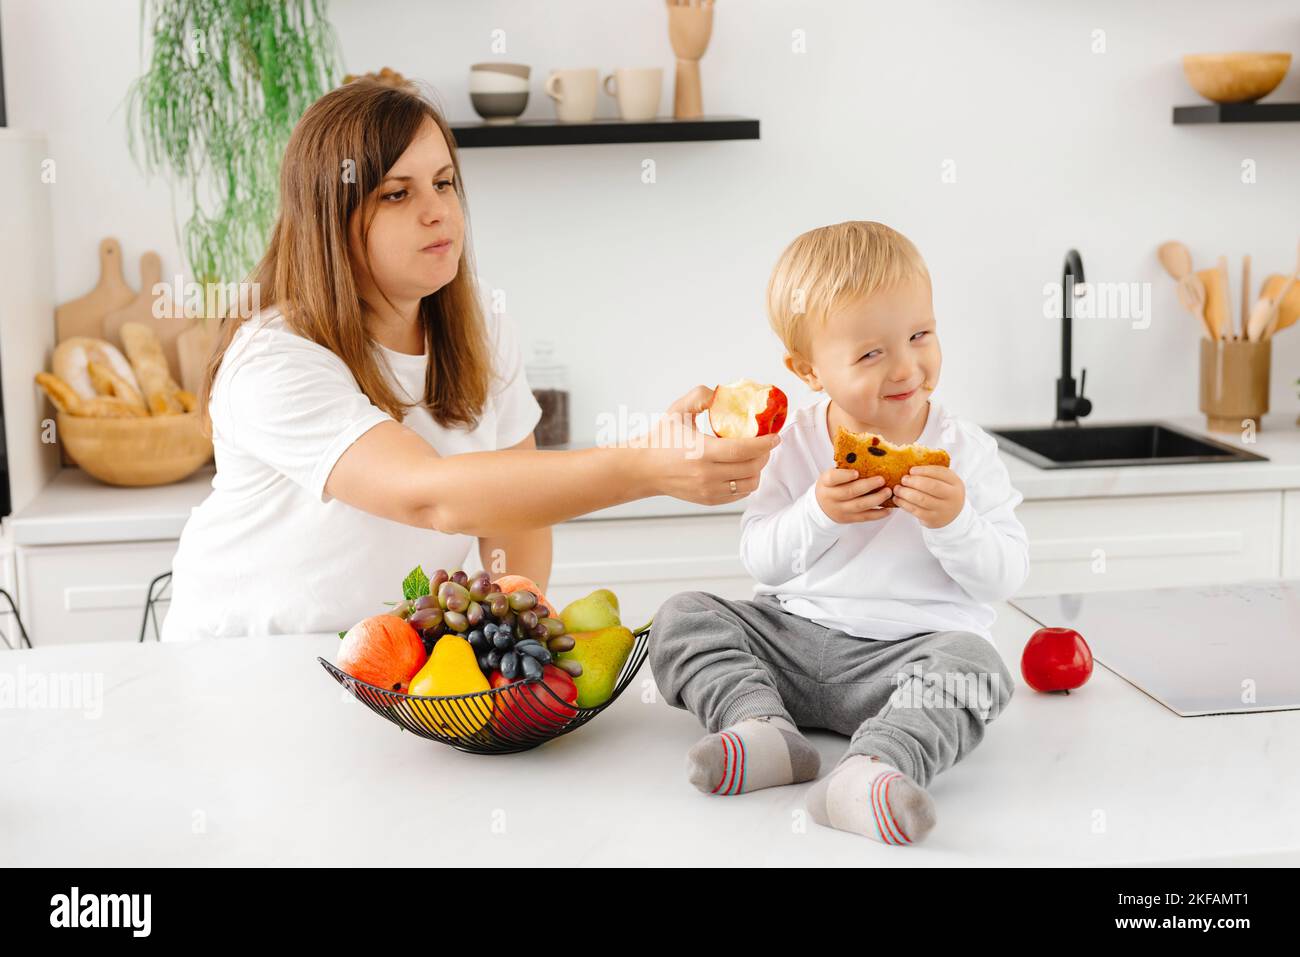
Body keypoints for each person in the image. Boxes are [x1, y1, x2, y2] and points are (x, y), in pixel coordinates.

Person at [160, 80, 778, 641]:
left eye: (444, 182)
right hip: (245, 662)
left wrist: (521, 622)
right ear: (330, 218)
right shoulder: (274, 359)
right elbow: (431, 497)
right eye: (397, 194)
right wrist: (645, 468)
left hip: (394, 661)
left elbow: (516, 518)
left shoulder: (478, 319)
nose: (437, 211)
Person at [649, 221, 1030, 844]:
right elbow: (762, 560)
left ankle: (871, 771)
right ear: (809, 370)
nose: (906, 366)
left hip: (907, 659)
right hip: (790, 646)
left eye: (920, 335)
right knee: (683, 614)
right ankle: (763, 731)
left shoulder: (966, 450)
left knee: (978, 666)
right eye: (871, 353)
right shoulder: (791, 442)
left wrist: (953, 522)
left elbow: (1006, 577)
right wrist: (819, 513)